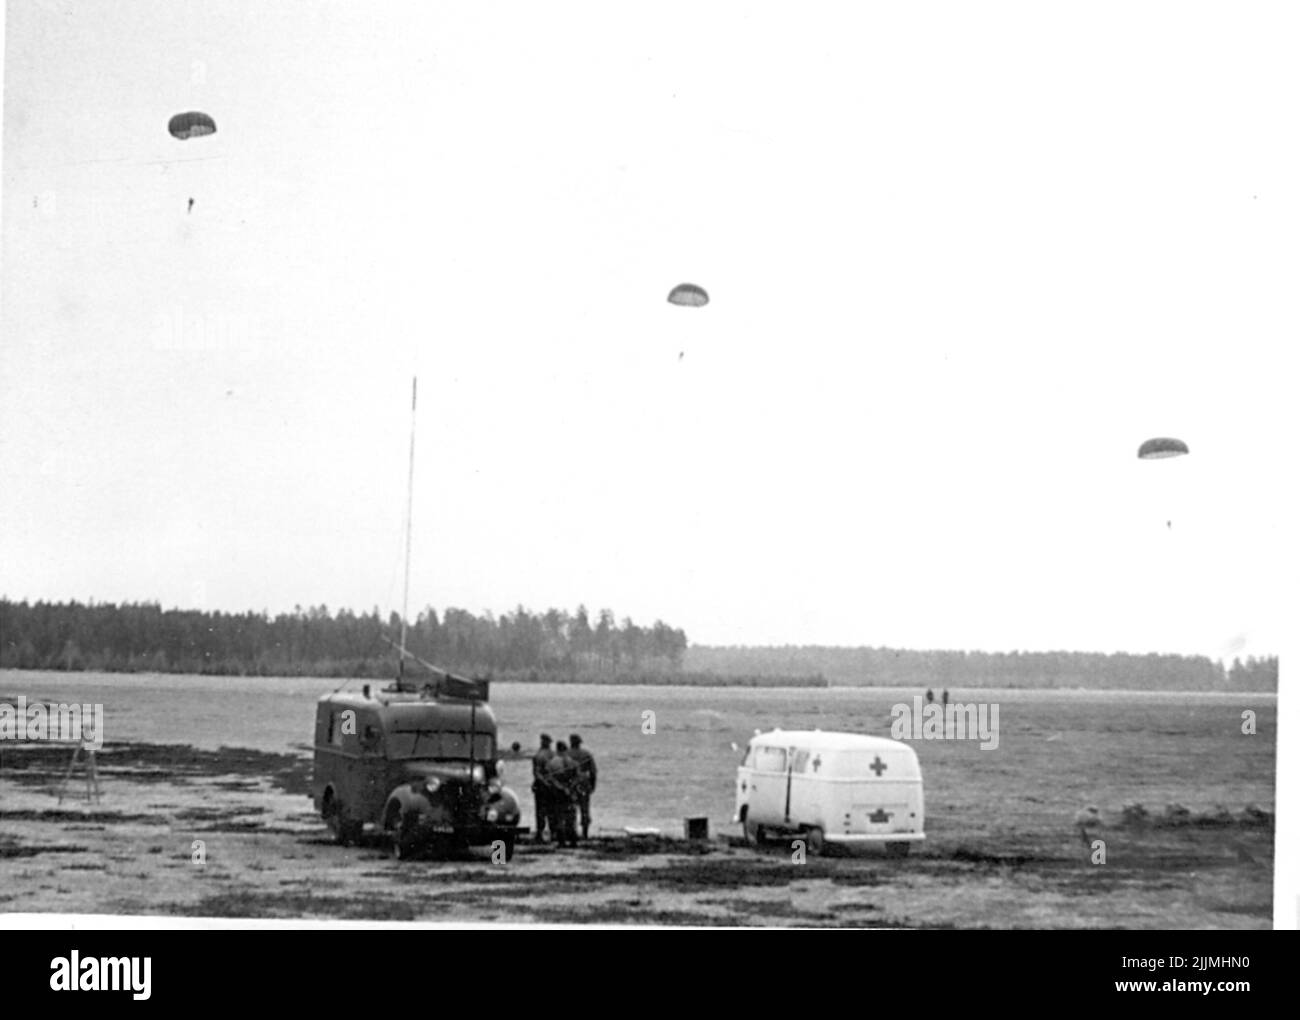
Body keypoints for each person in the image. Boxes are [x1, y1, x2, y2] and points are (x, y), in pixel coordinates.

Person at [544, 740, 579, 848]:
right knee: (572, 817)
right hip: (571, 792)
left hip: (557, 794)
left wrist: (561, 788)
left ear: (557, 749)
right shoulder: (573, 762)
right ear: (566, 749)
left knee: (559, 817)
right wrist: (569, 788)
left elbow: (550, 779)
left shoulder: (551, 763)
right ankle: (573, 841)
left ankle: (562, 842)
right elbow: (577, 778)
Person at [569, 733, 598, 840]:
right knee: (585, 809)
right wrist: (593, 785)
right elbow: (593, 772)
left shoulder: (566, 754)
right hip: (584, 783)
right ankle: (585, 833)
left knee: (570, 809)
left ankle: (572, 832)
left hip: (570, 783)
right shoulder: (586, 754)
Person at [531, 734, 555, 842]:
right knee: (552, 810)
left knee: (540, 811)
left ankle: (540, 834)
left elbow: (536, 773)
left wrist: (544, 782)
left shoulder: (538, 755)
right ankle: (553, 833)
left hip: (541, 787)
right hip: (553, 786)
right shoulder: (554, 755)